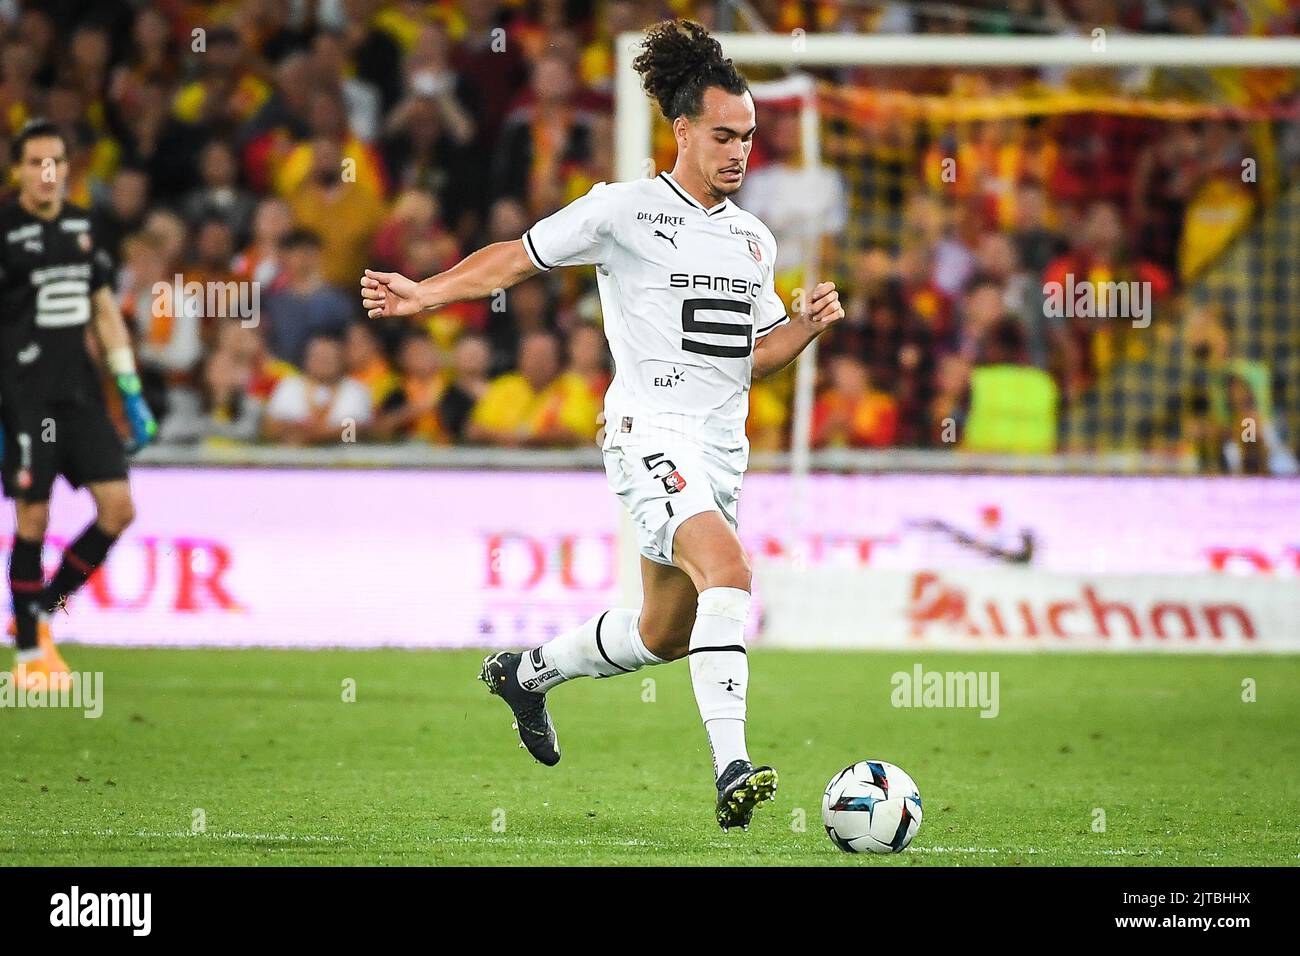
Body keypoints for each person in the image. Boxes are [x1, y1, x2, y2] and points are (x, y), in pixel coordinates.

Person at [361, 20, 844, 832]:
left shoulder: (753, 241)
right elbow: (517, 255)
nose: (739, 153)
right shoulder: (623, 211)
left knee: (663, 635)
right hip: (648, 433)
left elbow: (754, 360)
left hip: (722, 450)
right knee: (727, 572)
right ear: (683, 128)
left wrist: (805, 327)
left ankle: (529, 673)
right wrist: (428, 293)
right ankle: (731, 767)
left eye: (750, 138)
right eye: (725, 135)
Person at [0, 120, 157, 687]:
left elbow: (104, 310)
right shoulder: (4, 228)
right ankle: (25, 659)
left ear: (68, 169)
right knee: (33, 518)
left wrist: (131, 389)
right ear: (18, 170)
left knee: (118, 509)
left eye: (57, 162)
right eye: (36, 162)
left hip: (80, 395)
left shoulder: (84, 226)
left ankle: (40, 612)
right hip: (24, 399)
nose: (47, 173)